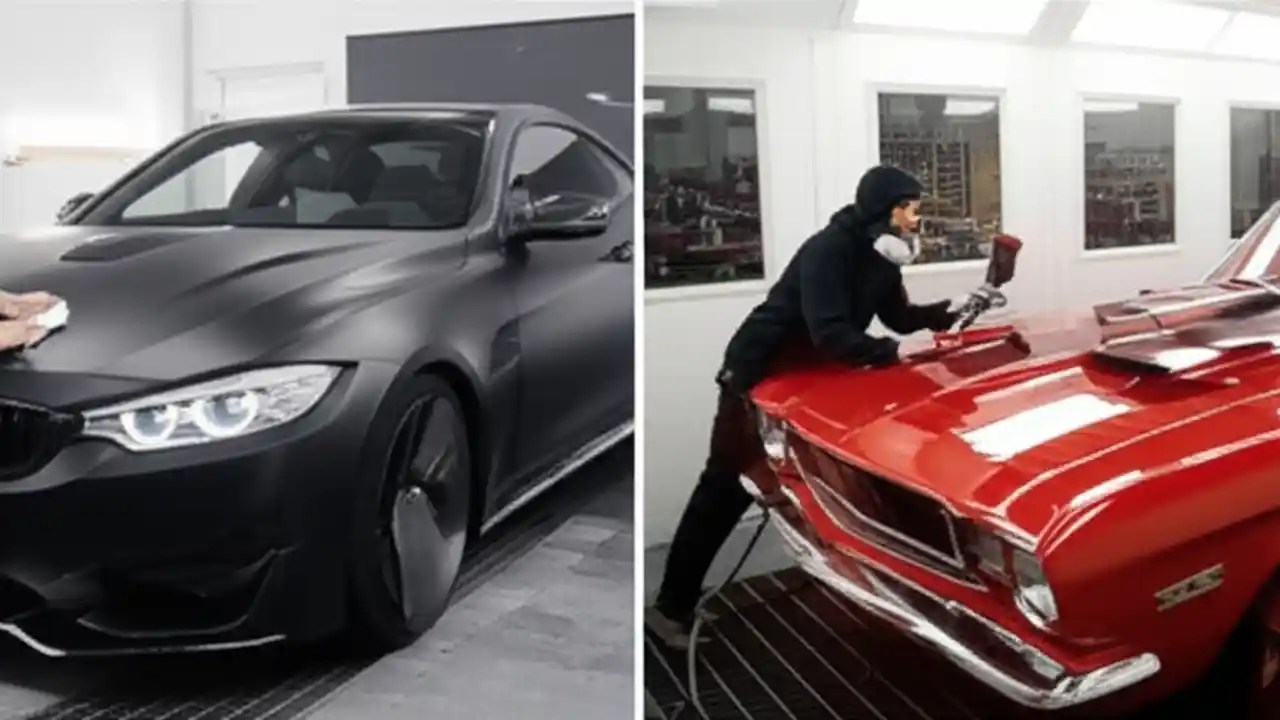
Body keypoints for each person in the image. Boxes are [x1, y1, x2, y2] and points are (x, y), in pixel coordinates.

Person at [648, 165, 959, 647]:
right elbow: (831, 332)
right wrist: (895, 354)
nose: (917, 219)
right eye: (911, 208)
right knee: (728, 486)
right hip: (758, 373)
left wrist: (954, 309)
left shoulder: (882, 255)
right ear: (887, 209)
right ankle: (671, 608)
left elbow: (898, 318)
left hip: (806, 379)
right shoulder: (828, 251)